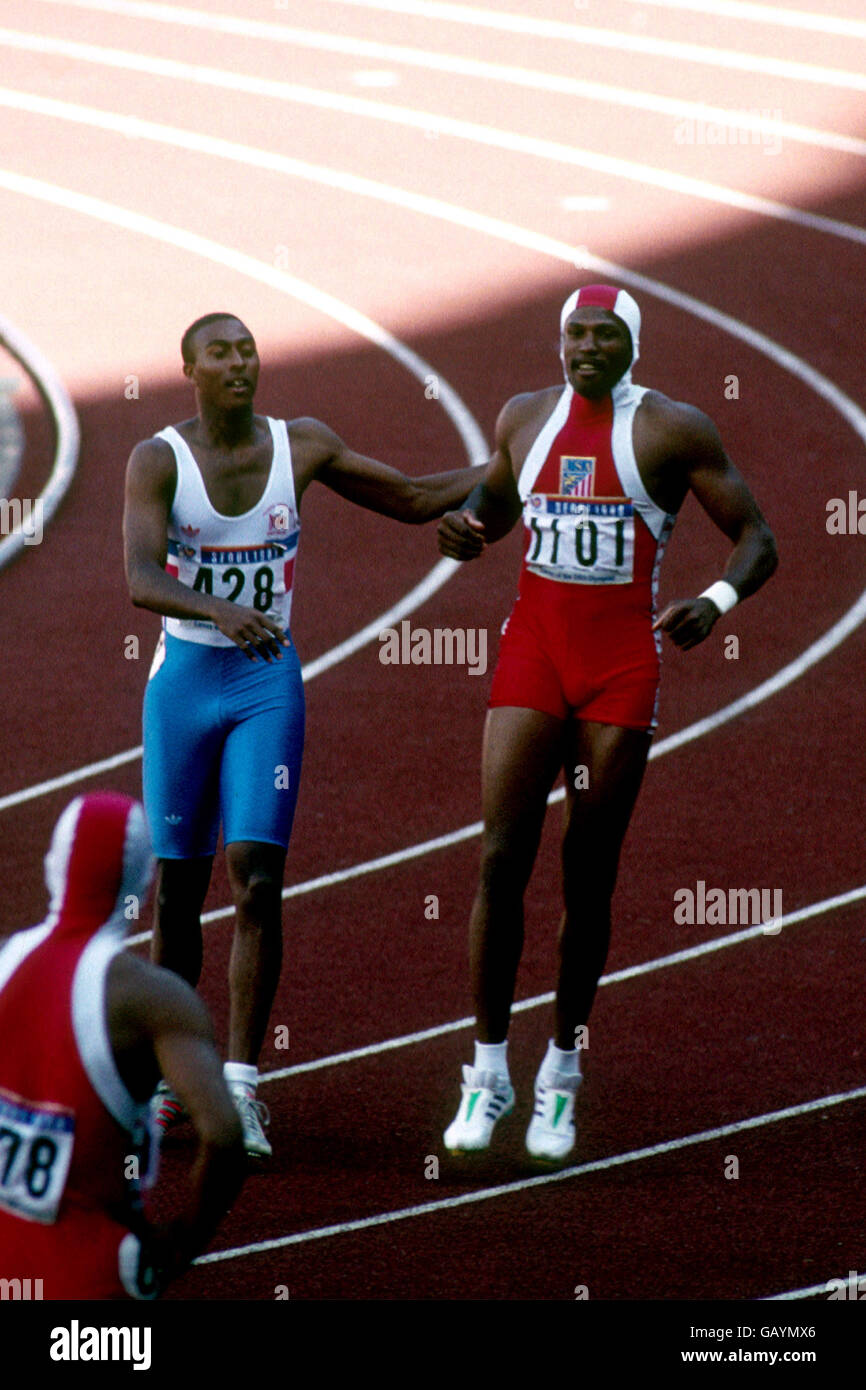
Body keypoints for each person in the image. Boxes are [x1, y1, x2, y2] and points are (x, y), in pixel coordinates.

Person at [123, 312, 479, 1157]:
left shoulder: (303, 445)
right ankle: (179, 1080)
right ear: (189, 369)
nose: (239, 364)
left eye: (248, 351)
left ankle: (241, 1087)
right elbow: (140, 579)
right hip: (184, 683)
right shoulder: (157, 460)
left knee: (256, 878)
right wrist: (220, 610)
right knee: (177, 889)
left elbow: (413, 497)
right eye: (222, 354)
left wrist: (513, 466)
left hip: (264, 685)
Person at [437, 284, 778, 1162]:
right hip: (534, 655)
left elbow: (758, 539)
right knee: (498, 858)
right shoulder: (523, 415)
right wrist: (468, 530)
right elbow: (498, 505)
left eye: (601, 335)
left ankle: (560, 1076)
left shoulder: (673, 430)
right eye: (572, 334)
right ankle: (486, 1072)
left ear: (631, 345)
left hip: (620, 668)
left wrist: (715, 600)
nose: (584, 347)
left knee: (587, 877)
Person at [0, 792, 246, 1299]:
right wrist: (183, 1242)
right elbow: (223, 1134)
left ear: (52, 867)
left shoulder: (6, 963)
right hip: (95, 1278)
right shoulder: (152, 999)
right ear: (143, 881)